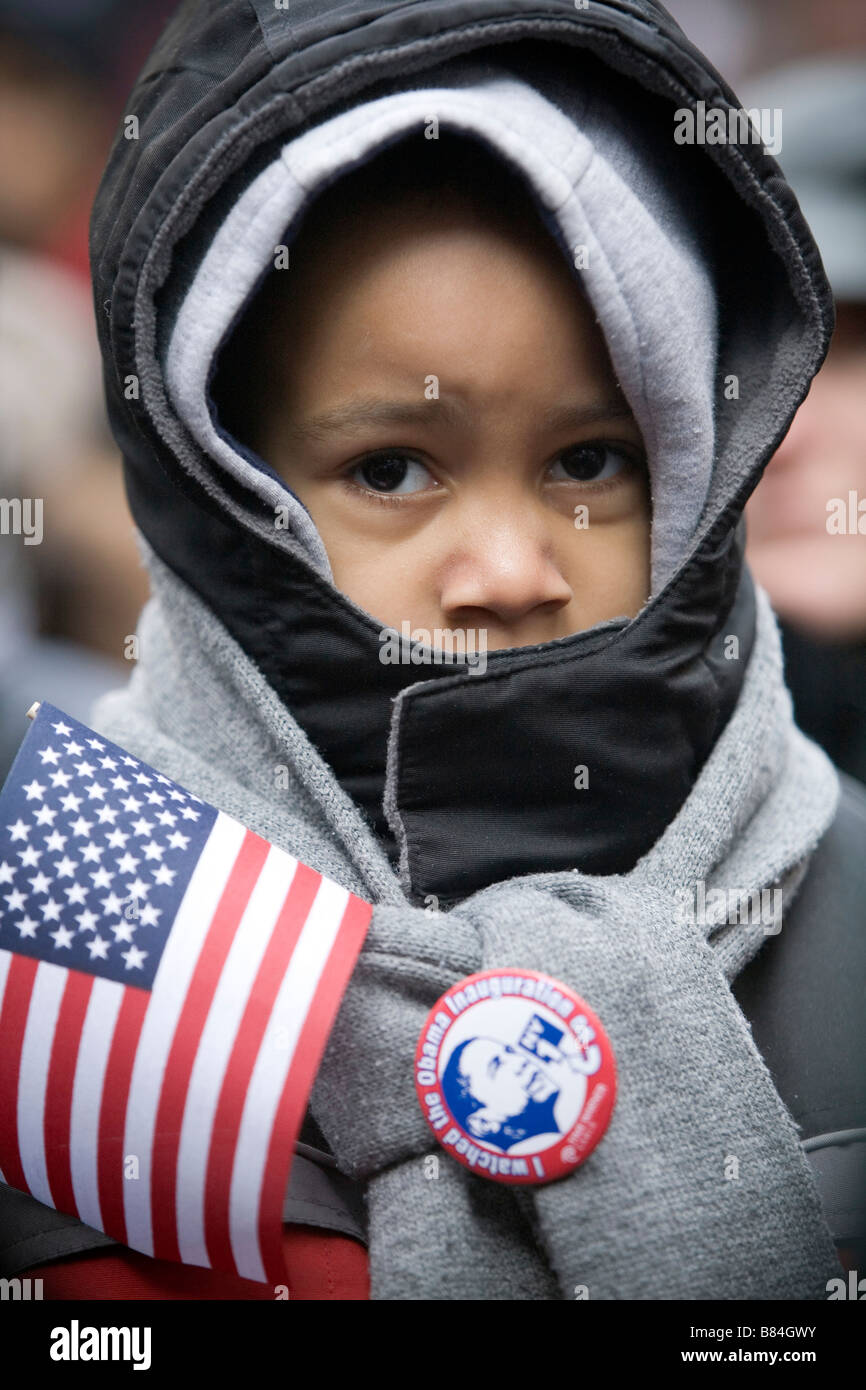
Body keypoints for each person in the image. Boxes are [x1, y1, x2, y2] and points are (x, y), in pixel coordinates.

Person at [2, 0, 864, 1301]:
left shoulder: (844, 899)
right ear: (224, 491)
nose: (509, 568)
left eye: (588, 461)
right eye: (392, 468)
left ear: (695, 467)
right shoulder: (72, 937)